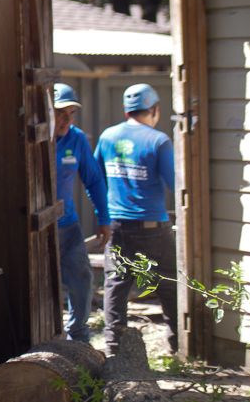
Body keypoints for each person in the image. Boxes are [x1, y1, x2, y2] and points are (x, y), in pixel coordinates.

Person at [94, 83, 177, 354]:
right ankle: (178, 345)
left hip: (117, 225)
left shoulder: (107, 136)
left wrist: (103, 212)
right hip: (153, 226)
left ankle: (112, 348)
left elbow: (96, 178)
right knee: (168, 285)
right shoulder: (158, 140)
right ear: (154, 109)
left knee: (116, 286)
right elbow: (176, 184)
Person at [52, 83, 110, 343]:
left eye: (71, 113)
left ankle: (79, 336)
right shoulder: (34, 140)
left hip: (68, 226)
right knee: (42, 285)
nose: (67, 119)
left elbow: (94, 180)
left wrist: (104, 218)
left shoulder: (76, 139)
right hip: (37, 229)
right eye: (61, 112)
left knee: (82, 278)